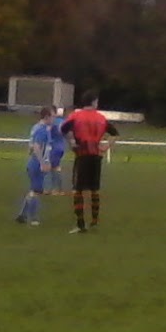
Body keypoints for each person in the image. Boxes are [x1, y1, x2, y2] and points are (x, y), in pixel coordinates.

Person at [60, 93, 119, 233]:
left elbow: (63, 130)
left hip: (82, 155)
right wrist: (106, 146)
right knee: (94, 189)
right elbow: (115, 134)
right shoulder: (101, 118)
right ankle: (94, 220)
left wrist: (71, 142)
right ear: (93, 102)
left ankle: (80, 224)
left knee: (78, 190)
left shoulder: (76, 116)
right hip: (96, 156)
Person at [16, 107, 54, 226]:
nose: (54, 119)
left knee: (34, 190)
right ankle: (33, 218)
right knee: (36, 191)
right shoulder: (42, 130)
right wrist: (43, 162)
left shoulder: (36, 127)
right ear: (47, 117)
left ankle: (22, 215)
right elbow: (37, 147)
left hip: (33, 161)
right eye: (53, 116)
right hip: (36, 163)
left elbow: (31, 146)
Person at [46, 108, 67, 194]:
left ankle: (56, 189)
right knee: (55, 167)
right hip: (61, 146)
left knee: (54, 168)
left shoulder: (53, 122)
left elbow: (48, 132)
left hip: (54, 147)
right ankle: (56, 188)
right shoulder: (64, 121)